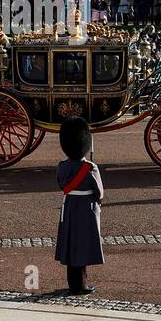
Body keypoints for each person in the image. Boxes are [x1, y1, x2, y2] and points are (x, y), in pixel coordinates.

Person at [56, 116, 104, 296]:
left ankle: (73, 283)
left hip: (69, 206)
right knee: (83, 245)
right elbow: (99, 192)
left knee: (71, 244)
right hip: (86, 207)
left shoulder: (62, 166)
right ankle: (81, 285)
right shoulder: (90, 167)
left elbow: (61, 185)